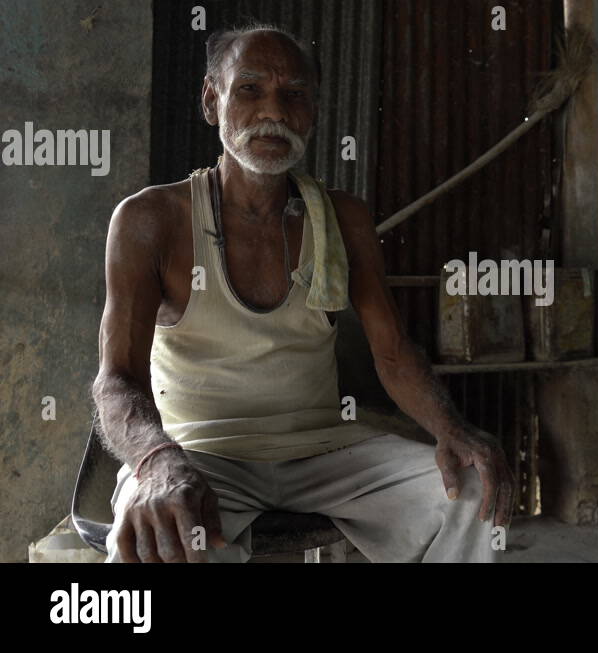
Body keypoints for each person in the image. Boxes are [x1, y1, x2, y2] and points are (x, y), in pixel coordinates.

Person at [92, 24, 514, 563]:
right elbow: (116, 379)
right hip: (200, 453)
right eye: (250, 90)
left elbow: (392, 352)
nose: (275, 111)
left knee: (472, 491)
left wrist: (454, 431)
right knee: (162, 528)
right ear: (211, 100)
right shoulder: (150, 219)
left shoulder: (342, 218)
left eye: (294, 94)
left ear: (312, 112)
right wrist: (155, 461)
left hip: (323, 450)